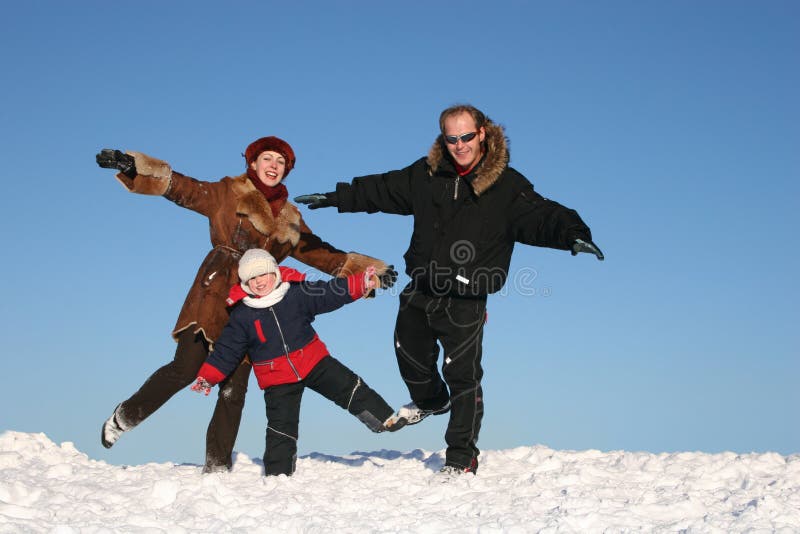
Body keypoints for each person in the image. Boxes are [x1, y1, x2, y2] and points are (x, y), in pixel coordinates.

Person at [295, 104, 603, 475]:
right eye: (452, 138)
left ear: (483, 133)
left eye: (466, 137)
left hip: (466, 296)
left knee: (462, 376)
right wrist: (337, 197)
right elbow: (384, 189)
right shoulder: (428, 174)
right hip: (422, 285)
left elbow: (543, 215)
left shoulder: (507, 186)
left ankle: (460, 458)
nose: (459, 146)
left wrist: (573, 234)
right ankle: (431, 400)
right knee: (407, 352)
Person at [95, 136, 396, 472]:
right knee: (185, 368)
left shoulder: (290, 219)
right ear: (253, 162)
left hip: (255, 305)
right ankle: (124, 417)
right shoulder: (228, 192)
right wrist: (137, 167)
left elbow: (321, 254)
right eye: (267, 159)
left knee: (234, 390)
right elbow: (185, 189)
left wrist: (369, 273)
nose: (273, 166)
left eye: (280, 162)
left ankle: (216, 468)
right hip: (214, 291)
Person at [191, 248, 406, 476]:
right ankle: (278, 475)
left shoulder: (295, 293)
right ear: (245, 283)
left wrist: (363, 282)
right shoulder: (242, 315)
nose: (259, 282)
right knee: (280, 427)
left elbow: (329, 293)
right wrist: (207, 377)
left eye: (262, 274)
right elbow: (227, 350)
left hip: (313, 361)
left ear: (274, 272)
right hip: (277, 378)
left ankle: (385, 418)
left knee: (349, 386)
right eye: (252, 278)